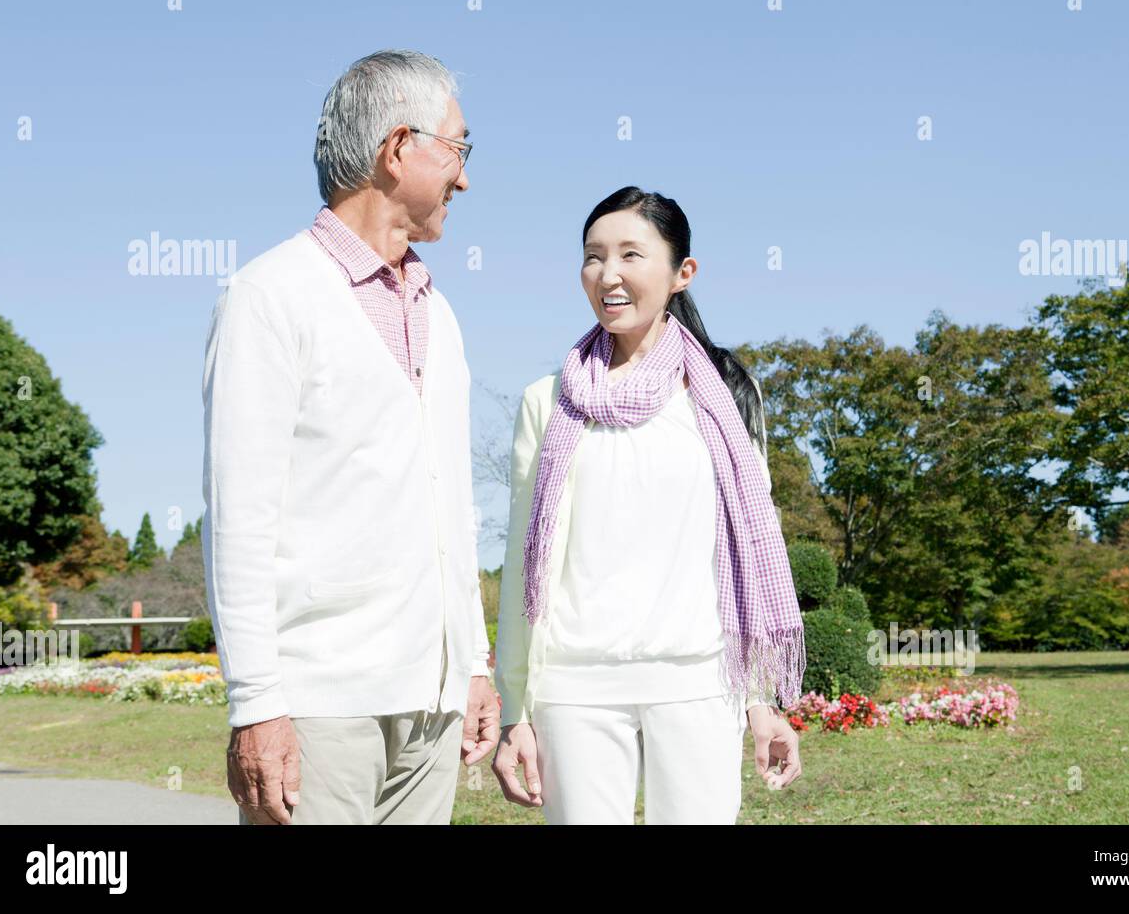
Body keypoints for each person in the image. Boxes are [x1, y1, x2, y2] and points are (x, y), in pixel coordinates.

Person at [200, 49, 499, 825]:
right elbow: (240, 520)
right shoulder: (269, 297)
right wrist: (257, 706)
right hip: (318, 708)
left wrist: (470, 664)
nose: (465, 178)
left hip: (430, 710)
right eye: (458, 149)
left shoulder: (441, 312)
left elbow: (451, 507)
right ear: (399, 149)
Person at [491, 186, 805, 824]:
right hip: (574, 687)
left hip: (697, 681)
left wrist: (761, 702)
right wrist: (514, 713)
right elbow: (524, 564)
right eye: (593, 256)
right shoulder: (547, 402)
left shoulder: (725, 396)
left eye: (632, 254)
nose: (609, 274)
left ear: (681, 273)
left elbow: (748, 551)